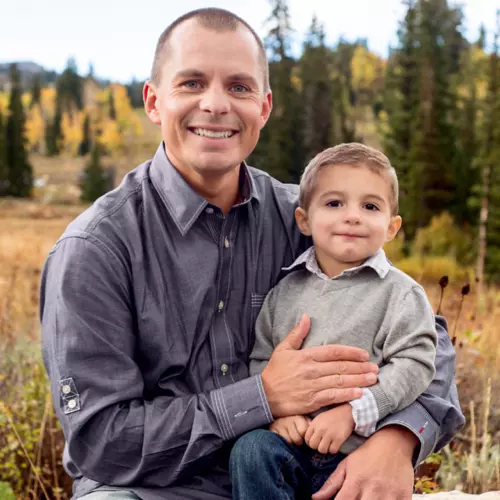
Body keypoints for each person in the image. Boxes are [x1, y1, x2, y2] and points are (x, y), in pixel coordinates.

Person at [39, 8, 464, 500]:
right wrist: (260, 398)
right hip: (148, 491)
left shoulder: (304, 220)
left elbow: (425, 338)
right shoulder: (95, 250)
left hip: (296, 476)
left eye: (239, 87)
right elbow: (101, 440)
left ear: (263, 108)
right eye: (192, 83)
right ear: (155, 101)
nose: (216, 105)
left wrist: (398, 437)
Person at [230, 142, 438, 499]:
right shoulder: (284, 292)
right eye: (334, 203)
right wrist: (277, 415)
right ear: (304, 220)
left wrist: (352, 414)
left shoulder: (401, 294)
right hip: (292, 449)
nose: (352, 216)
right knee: (251, 450)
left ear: (392, 226)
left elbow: (416, 363)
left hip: (359, 451)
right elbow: (262, 359)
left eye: (370, 206)